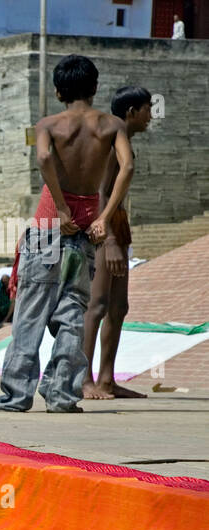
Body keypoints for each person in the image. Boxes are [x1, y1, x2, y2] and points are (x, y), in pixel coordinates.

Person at [0, 54, 133, 413]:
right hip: (87, 228)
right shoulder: (112, 124)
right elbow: (128, 166)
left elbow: (42, 160)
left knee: (31, 312)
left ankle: (16, 395)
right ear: (95, 86)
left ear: (58, 91)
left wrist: (61, 206)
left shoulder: (49, 124)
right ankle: (61, 394)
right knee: (73, 312)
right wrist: (104, 215)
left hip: (49, 226)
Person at [83, 85, 152, 400]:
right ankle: (83, 379)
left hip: (117, 225)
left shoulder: (123, 139)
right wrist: (108, 238)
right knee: (96, 304)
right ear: (131, 111)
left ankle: (107, 379)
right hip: (103, 227)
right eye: (147, 108)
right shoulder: (112, 141)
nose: (151, 115)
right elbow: (100, 191)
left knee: (118, 306)